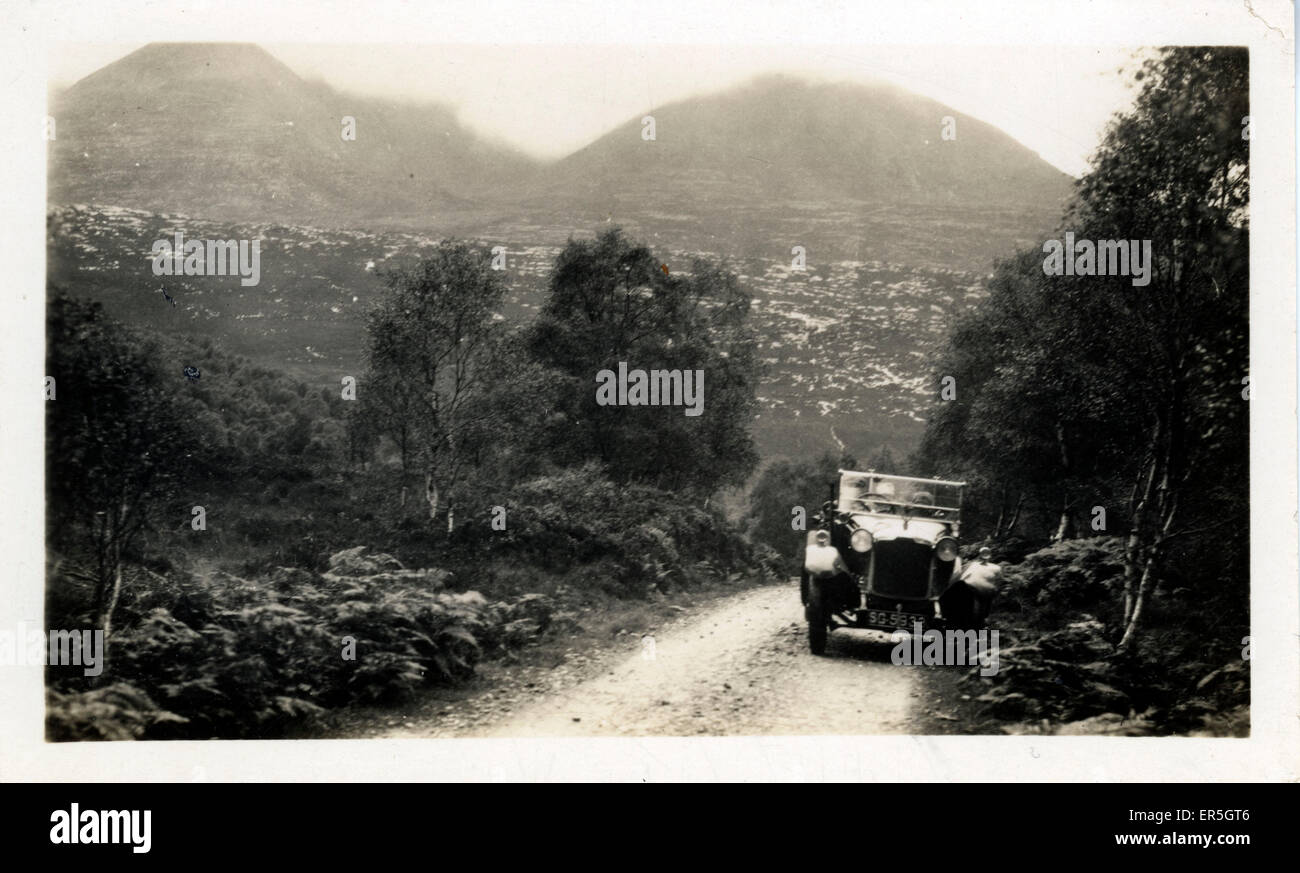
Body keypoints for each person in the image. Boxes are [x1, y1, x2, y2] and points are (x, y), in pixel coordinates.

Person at [959, 547, 1001, 624]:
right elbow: (963, 574)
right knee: (973, 609)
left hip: (987, 592)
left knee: (985, 609)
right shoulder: (973, 565)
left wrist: (996, 589)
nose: (985, 555)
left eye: (987, 553)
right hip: (973, 589)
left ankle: (983, 621)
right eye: (983, 553)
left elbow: (998, 580)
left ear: (990, 555)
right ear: (980, 555)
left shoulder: (996, 567)